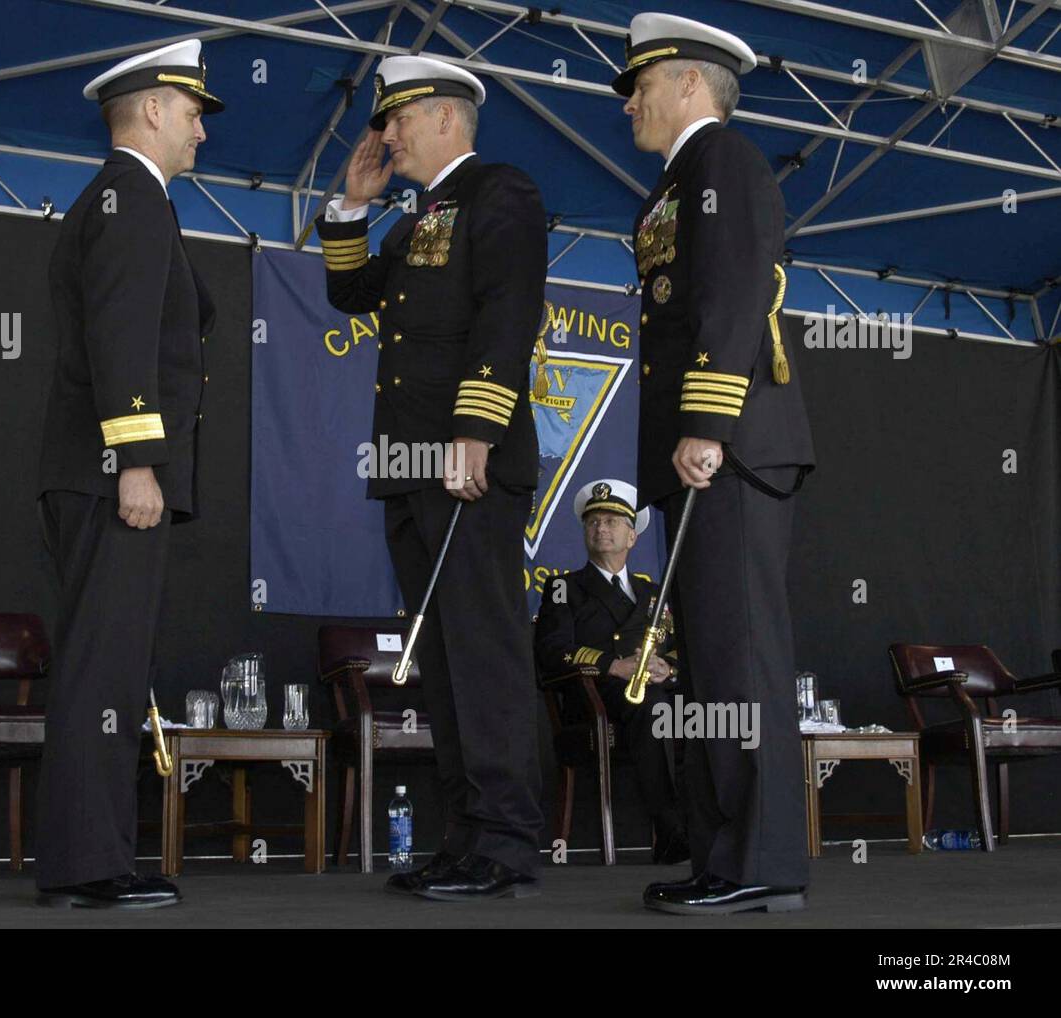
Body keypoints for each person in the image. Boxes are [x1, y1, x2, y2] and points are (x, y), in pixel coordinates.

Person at [315, 55, 547, 900]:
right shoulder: (419, 218)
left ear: (447, 118)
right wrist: (352, 207)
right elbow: (351, 295)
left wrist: (476, 430)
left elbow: (509, 312)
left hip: (466, 464)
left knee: (484, 653)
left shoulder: (500, 192)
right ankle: (465, 836)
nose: (386, 134)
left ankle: (509, 842)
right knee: (442, 660)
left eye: (398, 118)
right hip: (413, 472)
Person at [612, 13, 816, 914]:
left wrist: (704, 422)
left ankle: (764, 860)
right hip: (697, 458)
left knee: (742, 664)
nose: (629, 105)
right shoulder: (673, 185)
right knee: (705, 671)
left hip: (728, 451)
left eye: (642, 87)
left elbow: (733, 292)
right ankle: (718, 853)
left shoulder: (723, 162)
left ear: (690, 83)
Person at [33, 38, 222, 909]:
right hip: (114, 472)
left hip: (103, 469)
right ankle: (87, 866)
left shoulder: (130, 200)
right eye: (192, 114)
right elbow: (121, 340)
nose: (201, 134)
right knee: (100, 669)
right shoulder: (131, 198)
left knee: (105, 666)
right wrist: (139, 462)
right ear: (152, 108)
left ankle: (92, 853)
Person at [534, 479, 687, 864]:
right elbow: (551, 653)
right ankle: (673, 831)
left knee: (714, 708)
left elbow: (682, 648)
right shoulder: (563, 588)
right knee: (655, 709)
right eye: (593, 522)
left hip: (657, 690)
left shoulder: (654, 593)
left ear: (632, 536)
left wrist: (665, 666)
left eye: (611, 521)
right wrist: (613, 665)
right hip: (595, 698)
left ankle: (721, 824)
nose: (600, 528)